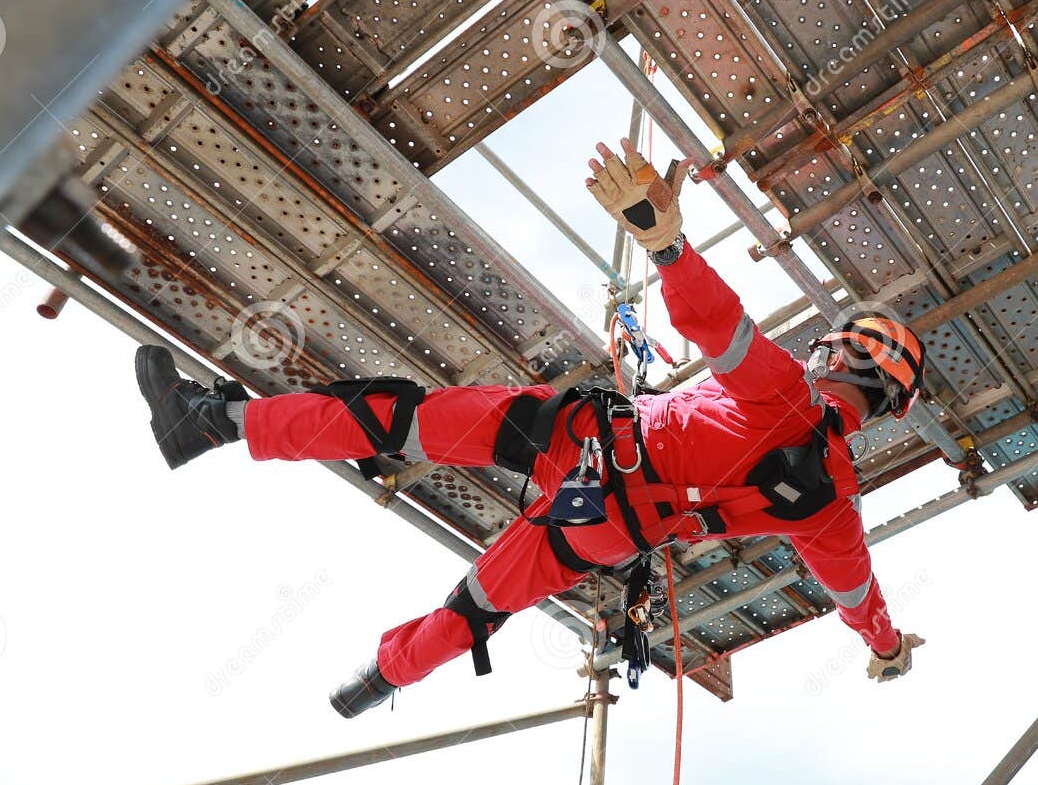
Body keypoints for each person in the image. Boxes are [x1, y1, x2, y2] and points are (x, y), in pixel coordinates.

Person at [134, 140, 925, 718]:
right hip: (602, 528)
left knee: (396, 420)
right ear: (888, 402)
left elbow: (718, 325)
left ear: (837, 353)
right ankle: (381, 681)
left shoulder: (785, 390)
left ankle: (217, 423)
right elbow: (858, 597)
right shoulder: (834, 509)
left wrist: (667, 244)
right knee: (479, 605)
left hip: (577, 439)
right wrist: (884, 649)